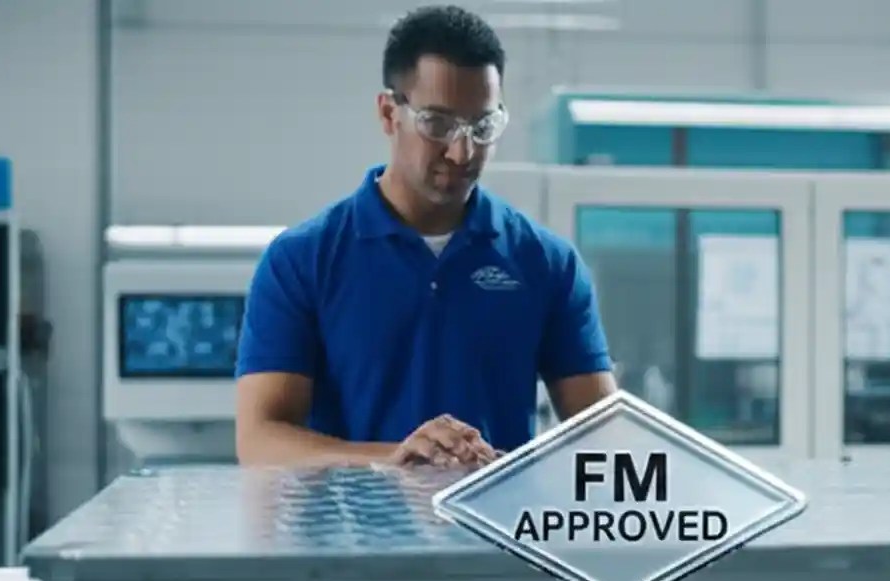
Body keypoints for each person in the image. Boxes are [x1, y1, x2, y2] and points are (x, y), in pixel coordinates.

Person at [234, 5, 617, 470]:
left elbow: (604, 437)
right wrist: (397, 460)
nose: (462, 151)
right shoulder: (302, 261)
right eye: (437, 124)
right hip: (348, 520)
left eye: (482, 127)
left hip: (492, 519)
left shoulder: (546, 263)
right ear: (388, 113)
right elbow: (261, 440)